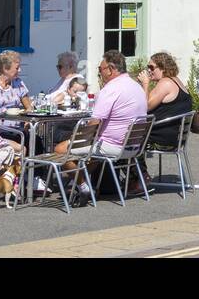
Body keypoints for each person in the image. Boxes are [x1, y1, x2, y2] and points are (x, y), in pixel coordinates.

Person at [56, 51, 147, 201]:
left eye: (100, 69)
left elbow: (94, 123)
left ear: (110, 69)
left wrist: (76, 137)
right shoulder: (136, 86)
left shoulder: (111, 89)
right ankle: (81, 184)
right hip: (134, 146)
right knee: (91, 153)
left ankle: (83, 187)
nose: (99, 73)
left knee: (60, 150)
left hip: (114, 145)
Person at [140, 52, 194, 148]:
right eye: (148, 67)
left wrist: (145, 84)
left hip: (162, 138)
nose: (148, 70)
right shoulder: (176, 80)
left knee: (127, 136)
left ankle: (135, 162)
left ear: (163, 68)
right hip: (176, 137)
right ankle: (138, 162)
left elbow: (145, 107)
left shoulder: (165, 83)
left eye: (151, 67)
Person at [0, 50, 32, 131]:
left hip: (17, 130)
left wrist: (28, 120)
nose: (20, 70)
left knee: (37, 141)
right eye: (17, 68)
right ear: (5, 69)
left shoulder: (18, 83)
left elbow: (29, 108)